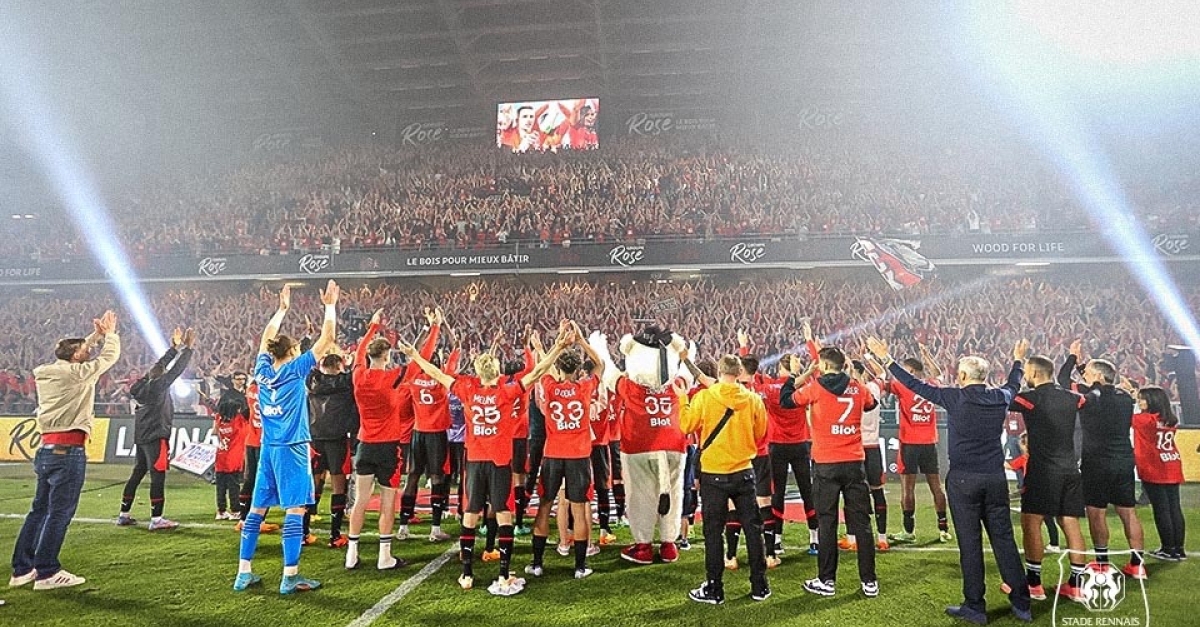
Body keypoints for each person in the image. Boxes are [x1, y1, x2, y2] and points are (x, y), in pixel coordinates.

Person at [867, 336, 1032, 625]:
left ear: (965, 375)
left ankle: (975, 607)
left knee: (970, 544)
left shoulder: (955, 397)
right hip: (995, 479)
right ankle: (1022, 603)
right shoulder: (1000, 398)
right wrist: (1018, 359)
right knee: (1004, 539)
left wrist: (887, 359)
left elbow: (915, 385)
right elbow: (1014, 383)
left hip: (964, 481)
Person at [401, 330, 563, 595]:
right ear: (497, 372)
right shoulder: (507, 391)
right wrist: (554, 349)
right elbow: (536, 373)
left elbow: (436, 373)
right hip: (499, 461)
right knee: (503, 514)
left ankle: (466, 573)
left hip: (475, 460)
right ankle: (502, 574)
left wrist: (415, 355)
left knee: (471, 513)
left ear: (478, 372)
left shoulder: (467, 389)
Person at [234, 281, 340, 594]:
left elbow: (266, 339)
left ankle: (244, 573)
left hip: (268, 448)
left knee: (256, 510)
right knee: (295, 510)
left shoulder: (262, 370)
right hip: (293, 448)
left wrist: (281, 311)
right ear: (293, 351)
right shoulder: (295, 370)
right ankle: (290, 576)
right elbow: (327, 339)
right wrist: (330, 305)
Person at [10, 310, 119, 591]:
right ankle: (47, 571)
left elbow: (80, 350)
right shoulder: (77, 375)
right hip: (68, 451)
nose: (88, 350)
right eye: (84, 349)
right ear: (77, 357)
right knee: (59, 512)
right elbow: (108, 359)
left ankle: (22, 569)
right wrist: (110, 336)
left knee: (38, 510)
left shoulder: (48, 371)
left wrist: (94, 336)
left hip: (46, 449)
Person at [782, 348, 879, 599]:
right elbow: (872, 404)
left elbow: (787, 400)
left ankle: (827, 580)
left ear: (824, 366)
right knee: (862, 523)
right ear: (843, 364)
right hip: (854, 462)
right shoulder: (858, 387)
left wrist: (794, 374)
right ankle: (869, 581)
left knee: (827, 523)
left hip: (826, 462)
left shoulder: (816, 387)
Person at [675, 354, 770, 605]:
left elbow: (686, 426)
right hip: (744, 471)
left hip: (714, 473)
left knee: (713, 533)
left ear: (720, 371)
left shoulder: (705, 397)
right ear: (739, 372)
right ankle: (760, 586)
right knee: (753, 529)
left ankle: (715, 588)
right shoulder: (752, 400)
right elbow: (761, 433)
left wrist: (683, 398)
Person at [1058, 341, 1146, 580]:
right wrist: (1085, 365)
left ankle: (1102, 563)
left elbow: (1062, 380)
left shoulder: (1089, 396)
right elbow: (1101, 381)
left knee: (1096, 513)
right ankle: (1138, 565)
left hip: (1097, 462)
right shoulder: (1125, 398)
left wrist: (1072, 357)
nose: (1084, 377)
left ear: (1096, 377)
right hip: (1123, 460)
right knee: (1128, 512)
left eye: (1087, 374)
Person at [526, 322, 606, 581]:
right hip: (580, 455)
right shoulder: (584, 388)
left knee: (545, 505)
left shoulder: (549, 385)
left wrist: (554, 343)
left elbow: (544, 365)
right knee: (580, 509)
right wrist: (581, 340)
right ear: (576, 370)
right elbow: (600, 363)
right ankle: (580, 567)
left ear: (559, 369)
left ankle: (537, 564)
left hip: (553, 454)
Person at [1006, 355, 1088, 602]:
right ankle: (1076, 586)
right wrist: (1077, 363)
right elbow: (1085, 396)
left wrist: (1016, 363)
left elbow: (1007, 397)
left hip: (1043, 470)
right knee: (1070, 523)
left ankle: (1034, 585)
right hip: (1070, 469)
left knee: (1032, 522)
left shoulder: (1031, 398)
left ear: (1033, 372)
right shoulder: (1073, 398)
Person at [345, 310, 407, 571]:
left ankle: (352, 552)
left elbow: (359, 350)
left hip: (365, 445)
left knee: (360, 500)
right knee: (387, 501)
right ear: (387, 356)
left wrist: (373, 326)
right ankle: (384, 556)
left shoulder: (358, 376)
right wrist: (434, 329)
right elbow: (421, 361)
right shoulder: (392, 378)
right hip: (389, 447)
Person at [116, 328, 194, 531]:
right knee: (158, 474)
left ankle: (124, 513)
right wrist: (187, 350)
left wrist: (173, 348)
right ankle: (157, 518)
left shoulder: (141, 386)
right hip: (156, 435)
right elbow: (176, 371)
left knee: (137, 473)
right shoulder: (158, 387)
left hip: (141, 435)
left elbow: (159, 366)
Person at [881, 344, 950, 544]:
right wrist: (928, 355)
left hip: (910, 442)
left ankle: (908, 531)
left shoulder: (903, 386)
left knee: (907, 489)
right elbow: (938, 374)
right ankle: (943, 529)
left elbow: (881, 383)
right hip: (930, 442)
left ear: (910, 372)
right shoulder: (930, 385)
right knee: (937, 487)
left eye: (904, 370)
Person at [306, 353, 357, 547]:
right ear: (339, 365)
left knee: (313, 484)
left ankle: (304, 533)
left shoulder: (312, 380)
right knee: (338, 485)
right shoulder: (345, 382)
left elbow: (308, 360)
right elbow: (357, 369)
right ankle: (334, 536)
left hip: (315, 438)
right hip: (337, 439)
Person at [1130, 386, 1185, 561]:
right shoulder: (1170, 420)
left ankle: (1168, 548)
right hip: (1171, 463)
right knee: (1174, 508)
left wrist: (1128, 396)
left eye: (1142, 399)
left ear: (1152, 401)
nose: (1139, 402)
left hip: (1154, 468)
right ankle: (1178, 548)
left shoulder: (1144, 420)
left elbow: (1127, 417)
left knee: (1161, 510)